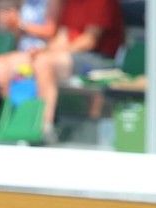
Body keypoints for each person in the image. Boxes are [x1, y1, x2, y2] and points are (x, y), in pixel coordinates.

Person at [29, 0, 124, 141]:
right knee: (28, 60)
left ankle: (45, 127)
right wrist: (44, 50)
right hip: (73, 56)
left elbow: (89, 41)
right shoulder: (71, 3)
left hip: (101, 60)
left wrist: (52, 54)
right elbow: (62, 37)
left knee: (44, 63)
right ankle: (21, 123)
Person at [0, 0, 63, 96]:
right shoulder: (25, 3)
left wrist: (20, 24)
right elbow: (19, 32)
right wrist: (10, 24)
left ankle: (9, 109)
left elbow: (51, 31)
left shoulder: (52, 2)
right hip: (23, 53)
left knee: (2, 71)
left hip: (41, 54)